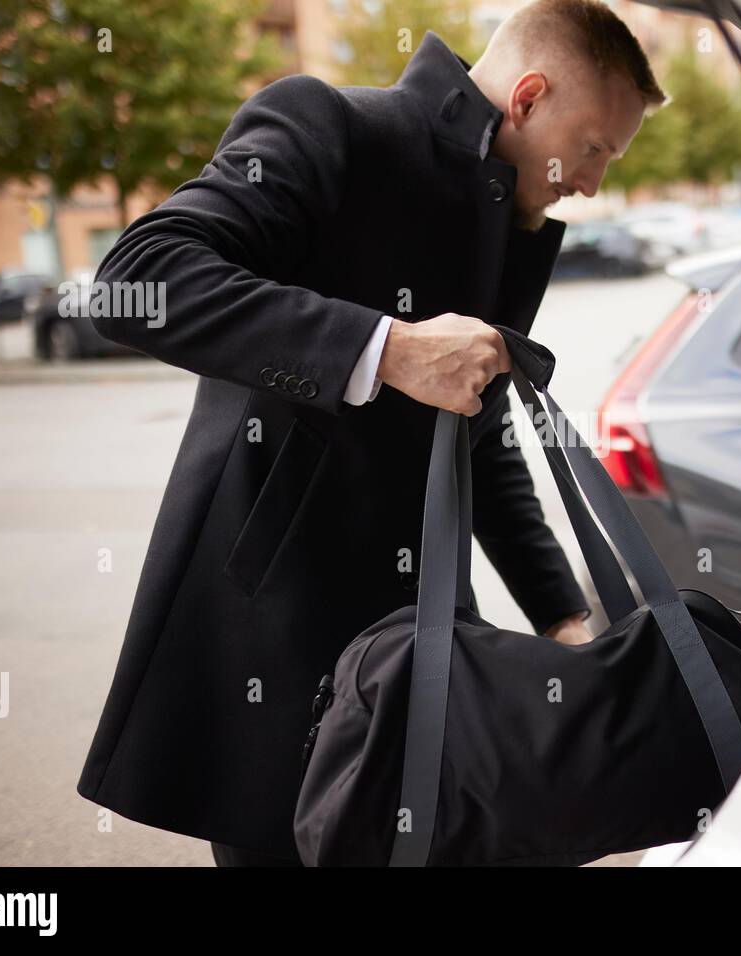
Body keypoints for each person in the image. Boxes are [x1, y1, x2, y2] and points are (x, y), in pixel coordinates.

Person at [75, 0, 665, 866]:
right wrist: (385, 348)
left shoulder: (507, 216)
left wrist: (562, 618)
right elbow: (137, 279)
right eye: (594, 150)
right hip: (273, 642)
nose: (593, 184)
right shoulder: (328, 122)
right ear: (529, 96)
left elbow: (479, 437)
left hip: (423, 646)